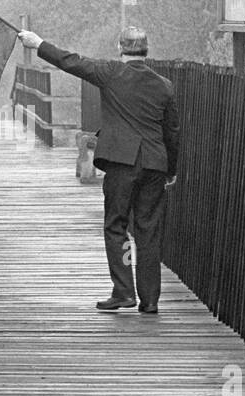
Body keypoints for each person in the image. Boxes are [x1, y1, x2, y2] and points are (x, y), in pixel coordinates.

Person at [16, 25, 180, 314]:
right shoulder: (164, 85)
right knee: (148, 231)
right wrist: (171, 170)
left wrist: (38, 43)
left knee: (116, 225)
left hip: (121, 163)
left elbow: (71, 62)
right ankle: (150, 300)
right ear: (147, 50)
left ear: (120, 47)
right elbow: (172, 133)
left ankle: (124, 292)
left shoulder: (110, 73)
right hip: (155, 164)